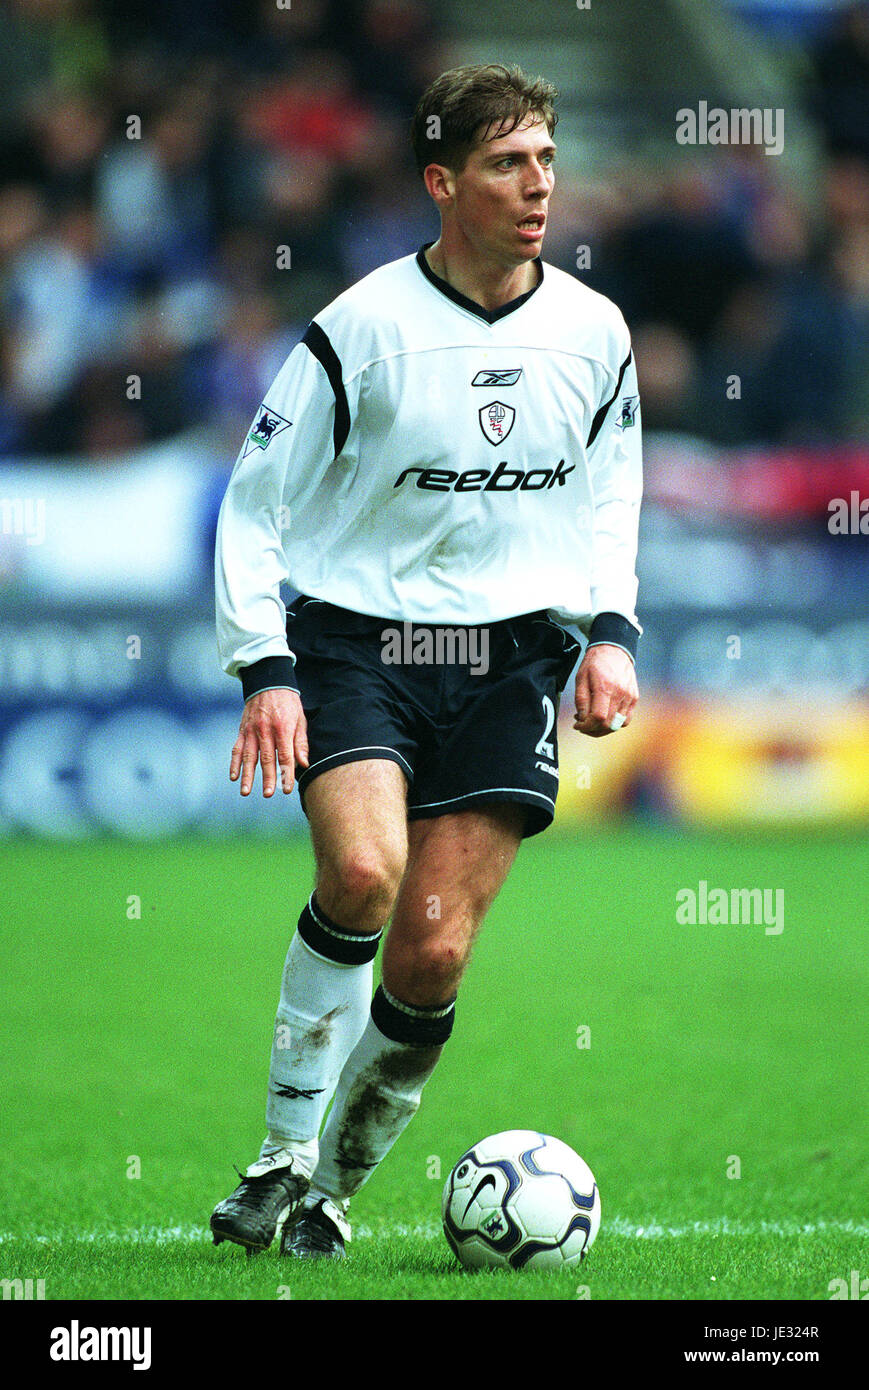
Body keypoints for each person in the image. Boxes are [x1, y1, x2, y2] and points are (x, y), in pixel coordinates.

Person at [210, 62, 642, 1260]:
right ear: (441, 181)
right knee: (360, 872)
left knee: (435, 947)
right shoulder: (360, 330)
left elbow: (612, 495)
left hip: (513, 660)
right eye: (508, 162)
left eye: (548, 158)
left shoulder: (593, 333)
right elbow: (253, 506)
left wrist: (609, 631)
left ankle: (331, 1193)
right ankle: (278, 1157)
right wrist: (266, 664)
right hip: (359, 643)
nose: (537, 182)